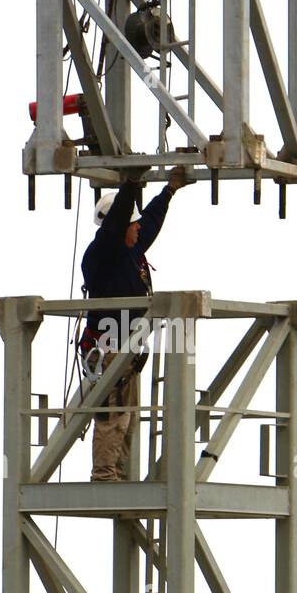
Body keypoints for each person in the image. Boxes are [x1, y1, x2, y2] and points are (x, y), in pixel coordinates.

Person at [80, 166, 189, 481]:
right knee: (113, 415)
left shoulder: (129, 249)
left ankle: (120, 473)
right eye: (132, 225)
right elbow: (117, 224)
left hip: (128, 350)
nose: (137, 229)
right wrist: (131, 184)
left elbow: (149, 223)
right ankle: (104, 475)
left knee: (125, 417)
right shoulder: (104, 253)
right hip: (110, 347)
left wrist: (169, 191)